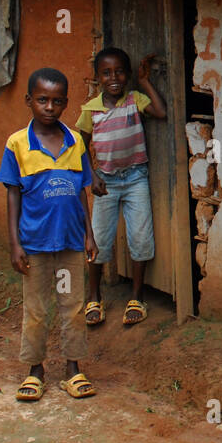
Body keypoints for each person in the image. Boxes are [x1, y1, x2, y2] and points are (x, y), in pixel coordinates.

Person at [0, 66, 98, 401]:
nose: (49, 107)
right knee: (37, 308)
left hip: (70, 243)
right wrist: (15, 244)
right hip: (35, 245)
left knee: (72, 305)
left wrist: (90, 235)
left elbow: (83, 191)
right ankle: (35, 370)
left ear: (66, 103)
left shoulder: (75, 143)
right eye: (42, 100)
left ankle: (73, 369)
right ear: (29, 100)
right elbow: (13, 194)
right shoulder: (17, 145)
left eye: (57, 101)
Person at [74, 47, 167, 327]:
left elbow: (161, 112)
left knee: (140, 237)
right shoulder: (90, 110)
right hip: (106, 182)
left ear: (127, 75)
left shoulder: (134, 99)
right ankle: (94, 297)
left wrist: (145, 81)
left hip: (136, 178)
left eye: (119, 72)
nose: (113, 77)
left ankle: (136, 298)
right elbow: (80, 146)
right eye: (106, 73)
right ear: (98, 77)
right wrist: (91, 176)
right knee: (99, 240)